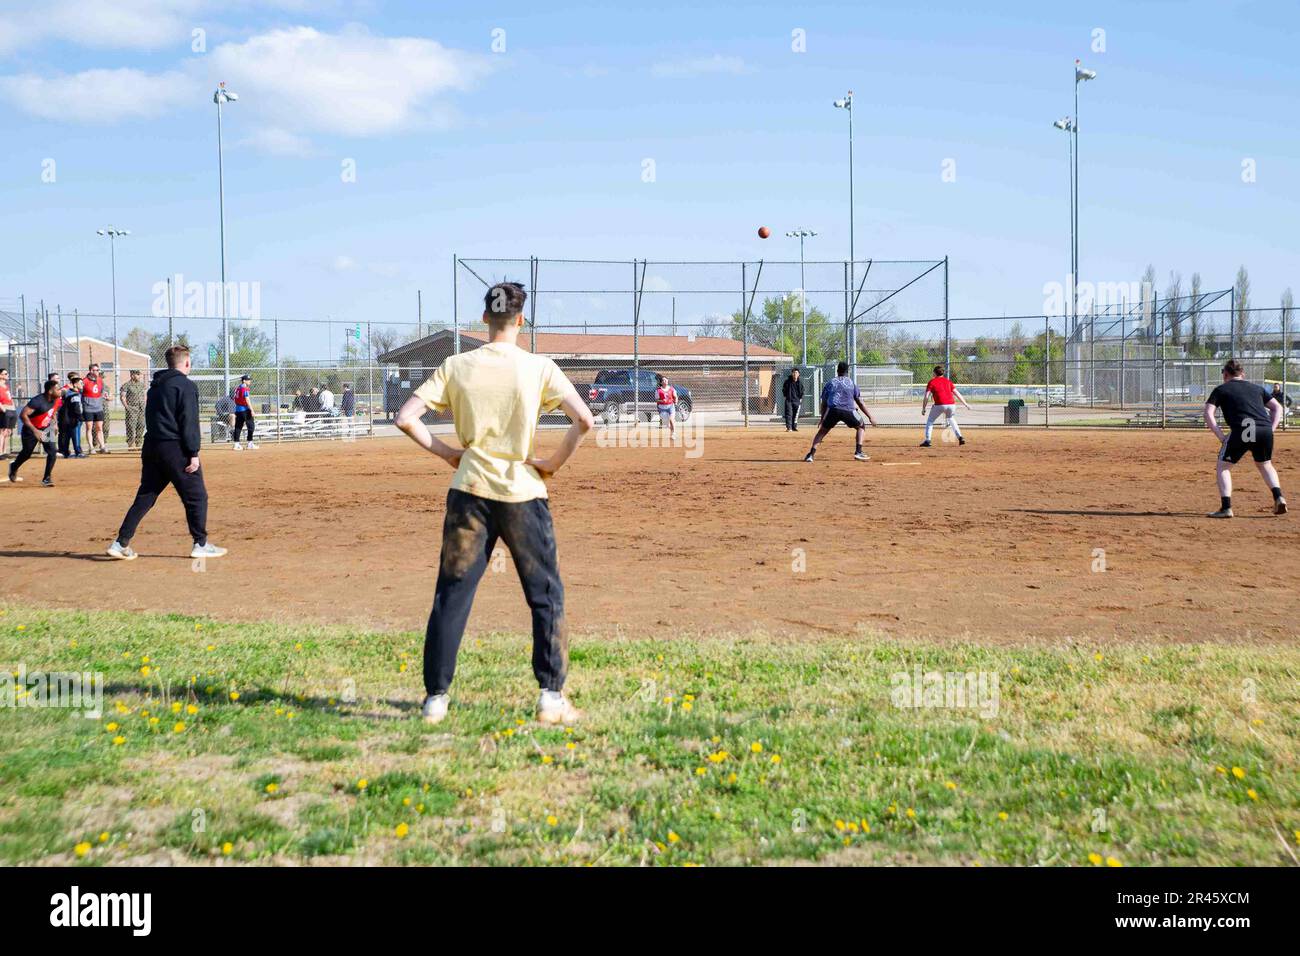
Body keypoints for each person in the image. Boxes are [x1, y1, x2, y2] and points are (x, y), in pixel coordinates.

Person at [395, 281, 593, 727]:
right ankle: (550, 697)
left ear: (484, 318)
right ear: (521, 320)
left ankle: (435, 701)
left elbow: (405, 418)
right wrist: (552, 464)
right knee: (545, 595)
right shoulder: (539, 367)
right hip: (524, 493)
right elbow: (584, 419)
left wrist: (447, 453)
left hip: (469, 491)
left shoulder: (455, 365)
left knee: (452, 594)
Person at [106, 345, 227, 561]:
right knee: (197, 496)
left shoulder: (154, 387)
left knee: (146, 496)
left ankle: (120, 543)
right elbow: (188, 421)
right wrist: (193, 452)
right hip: (175, 449)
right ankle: (200, 543)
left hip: (152, 446)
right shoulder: (185, 386)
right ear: (187, 363)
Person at [1204, 359, 1286, 519]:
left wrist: (1221, 436)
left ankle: (1226, 508)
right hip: (1264, 430)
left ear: (1225, 374)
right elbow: (1278, 408)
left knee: (1223, 467)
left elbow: (1208, 413)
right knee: (1265, 465)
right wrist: (1271, 429)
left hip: (1241, 430)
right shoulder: (1257, 388)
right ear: (1242, 374)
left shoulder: (1221, 389)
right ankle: (1278, 497)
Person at [804, 361, 877, 462]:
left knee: (822, 432)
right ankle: (858, 451)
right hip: (848, 410)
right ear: (847, 371)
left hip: (832, 410)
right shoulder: (851, 383)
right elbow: (860, 402)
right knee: (861, 426)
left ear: (837, 371)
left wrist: (822, 419)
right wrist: (870, 416)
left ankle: (811, 455)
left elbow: (824, 403)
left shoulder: (830, 383)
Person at [8, 379, 61, 486]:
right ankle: (14, 466)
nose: (60, 391)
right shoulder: (38, 401)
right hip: (31, 429)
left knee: (52, 452)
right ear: (50, 391)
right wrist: (35, 431)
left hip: (46, 428)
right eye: (57, 389)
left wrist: (54, 423)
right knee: (27, 453)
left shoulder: (57, 399)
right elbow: (23, 415)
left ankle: (46, 478)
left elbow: (53, 411)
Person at [920, 365, 971, 447]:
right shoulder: (948, 381)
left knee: (930, 421)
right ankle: (960, 438)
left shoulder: (932, 382)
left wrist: (923, 408)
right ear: (942, 373)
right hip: (951, 405)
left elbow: (926, 396)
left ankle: (928, 440)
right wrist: (965, 404)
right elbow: (957, 393)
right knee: (951, 419)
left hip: (940, 405)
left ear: (934, 373)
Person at [80, 363, 110, 454]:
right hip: (88, 408)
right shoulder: (84, 381)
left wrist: (105, 395)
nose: (96, 372)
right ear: (90, 371)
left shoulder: (100, 380)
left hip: (98, 407)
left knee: (99, 428)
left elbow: (101, 391)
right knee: (89, 427)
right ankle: (91, 447)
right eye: (94, 370)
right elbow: (79, 392)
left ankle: (102, 446)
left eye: (97, 370)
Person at [58, 374, 85, 458]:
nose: (82, 385)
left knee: (68, 435)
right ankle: (78, 451)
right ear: (75, 384)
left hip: (68, 418)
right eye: (81, 383)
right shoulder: (73, 394)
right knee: (75, 435)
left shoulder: (73, 392)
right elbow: (76, 407)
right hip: (74, 418)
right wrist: (80, 417)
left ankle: (66, 452)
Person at [121, 368, 147, 450]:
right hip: (132, 408)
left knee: (141, 425)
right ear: (132, 375)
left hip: (141, 408)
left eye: (139, 374)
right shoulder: (126, 385)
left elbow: (145, 395)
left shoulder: (142, 385)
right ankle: (131, 444)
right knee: (131, 426)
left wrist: (145, 404)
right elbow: (122, 397)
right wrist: (127, 407)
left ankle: (138, 443)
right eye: (137, 374)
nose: (139, 376)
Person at [231, 374, 257, 450]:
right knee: (251, 426)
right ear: (244, 381)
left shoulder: (238, 388)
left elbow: (235, 398)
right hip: (245, 410)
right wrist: (252, 410)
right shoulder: (245, 388)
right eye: (248, 380)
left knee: (238, 426)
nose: (250, 381)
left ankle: (236, 444)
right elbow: (247, 400)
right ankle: (250, 443)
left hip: (238, 410)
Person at [0, 367, 17, 460]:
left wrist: (13, 408)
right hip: (4, 408)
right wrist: (3, 409)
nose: (7, 375)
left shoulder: (6, 386)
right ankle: (0, 453)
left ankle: (4, 452)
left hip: (11, 409)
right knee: (2, 431)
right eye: (5, 374)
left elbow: (10, 398)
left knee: (8, 432)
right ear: (0, 375)